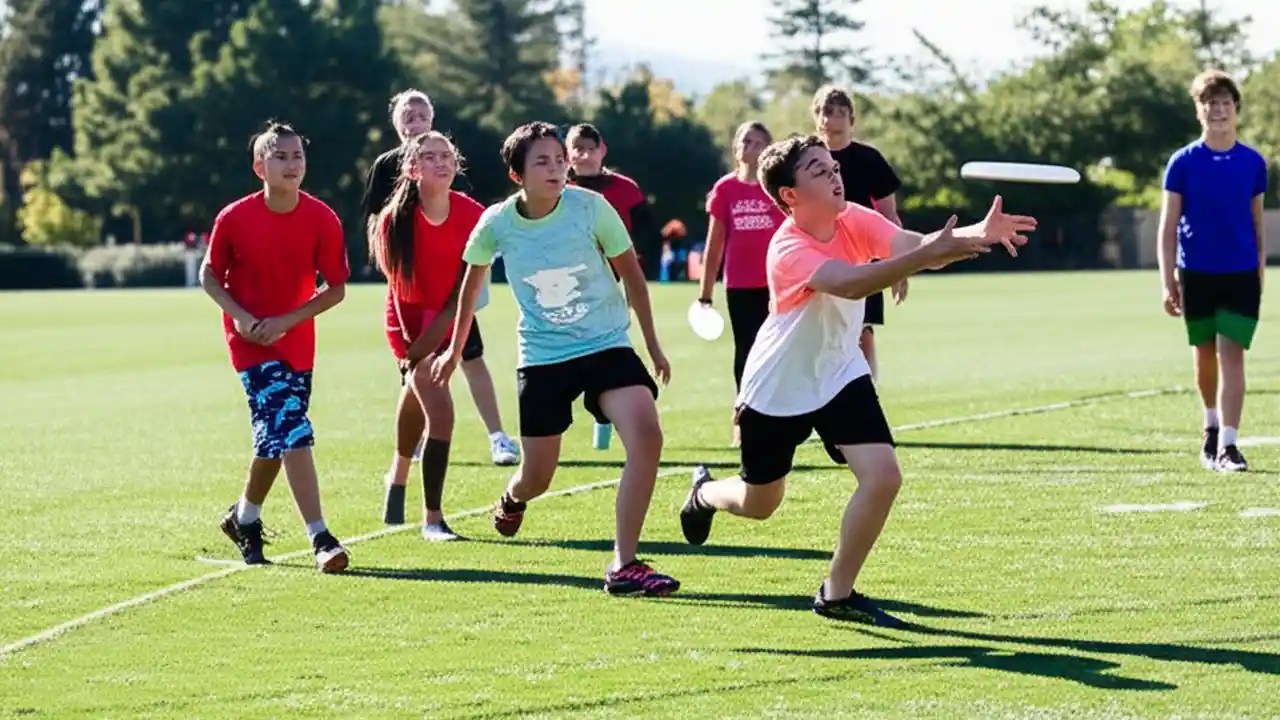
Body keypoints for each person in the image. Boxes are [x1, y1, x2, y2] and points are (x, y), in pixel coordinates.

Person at [679, 135, 1036, 624]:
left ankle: (837, 593)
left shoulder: (854, 217)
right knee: (760, 503)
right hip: (780, 385)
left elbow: (916, 246)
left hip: (841, 371)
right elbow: (852, 282)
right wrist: (928, 255)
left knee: (884, 476)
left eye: (833, 167)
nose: (835, 175)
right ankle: (703, 494)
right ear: (790, 195)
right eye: (819, 171)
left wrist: (979, 234)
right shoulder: (787, 248)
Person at [431, 121, 680, 597]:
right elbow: (470, 288)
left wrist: (651, 345)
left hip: (607, 344)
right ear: (516, 173)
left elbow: (632, 275)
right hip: (544, 356)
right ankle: (514, 497)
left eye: (559, 159)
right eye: (542, 161)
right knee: (538, 476)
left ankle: (624, 564)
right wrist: (455, 349)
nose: (556, 168)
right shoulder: (497, 222)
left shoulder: (592, 208)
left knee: (646, 437)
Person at [202, 122, 352, 573]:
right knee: (294, 429)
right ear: (259, 166)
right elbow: (210, 276)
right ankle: (321, 538)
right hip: (250, 346)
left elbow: (337, 289)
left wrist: (287, 322)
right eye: (281, 156)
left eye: (298, 156)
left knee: (275, 439)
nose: (292, 164)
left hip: (297, 343)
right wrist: (244, 319)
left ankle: (244, 518)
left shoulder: (323, 218)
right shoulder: (233, 217)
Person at [361, 89, 520, 468]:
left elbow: (471, 227)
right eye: (407, 115)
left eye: (421, 113)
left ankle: (498, 437)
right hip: (411, 285)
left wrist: (465, 284)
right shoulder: (386, 166)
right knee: (415, 363)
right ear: (397, 124)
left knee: (471, 357)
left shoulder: (447, 168)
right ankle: (411, 445)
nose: (415, 120)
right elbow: (374, 218)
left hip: (453, 286)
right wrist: (392, 264)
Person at [370, 131, 479, 540]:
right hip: (409, 321)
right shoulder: (393, 221)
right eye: (431, 157)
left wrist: (447, 337)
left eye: (447, 156)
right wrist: (415, 353)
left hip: (451, 315)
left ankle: (396, 475)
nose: (442, 163)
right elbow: (402, 296)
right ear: (413, 169)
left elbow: (464, 289)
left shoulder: (471, 214)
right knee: (441, 410)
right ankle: (432, 519)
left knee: (416, 392)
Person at [1158, 69, 1267, 473]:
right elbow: (1168, 227)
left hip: (1239, 273)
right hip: (1196, 272)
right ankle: (1210, 426)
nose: (1218, 110)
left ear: (1235, 110)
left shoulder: (1253, 163)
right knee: (1204, 354)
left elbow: (1257, 225)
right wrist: (1167, 279)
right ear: (1199, 111)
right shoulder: (1182, 163)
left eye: (1225, 103)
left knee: (1232, 355)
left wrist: (1260, 273)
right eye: (1210, 103)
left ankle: (1230, 444)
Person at [565, 122, 659, 451]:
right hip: (566, 287)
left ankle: (604, 415)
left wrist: (638, 264)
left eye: (591, 148)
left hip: (611, 283)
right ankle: (595, 414)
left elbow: (646, 233)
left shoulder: (624, 189)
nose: (584, 154)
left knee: (605, 350)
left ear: (603, 151)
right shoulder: (557, 188)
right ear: (567, 153)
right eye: (577, 148)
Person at [696, 121, 787, 446]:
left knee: (779, 351)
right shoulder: (725, 190)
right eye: (746, 141)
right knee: (746, 352)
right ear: (736, 148)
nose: (752, 147)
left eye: (760, 141)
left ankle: (781, 418)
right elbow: (714, 244)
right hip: (740, 286)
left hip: (779, 286)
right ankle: (743, 419)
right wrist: (705, 295)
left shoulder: (777, 188)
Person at [813, 86, 905, 379]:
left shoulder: (869, 160)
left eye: (842, 113)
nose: (834, 119)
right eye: (828, 112)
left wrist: (898, 268)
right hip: (818, 257)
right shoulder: (804, 161)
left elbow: (890, 217)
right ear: (817, 117)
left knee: (863, 330)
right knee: (820, 332)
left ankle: (868, 391)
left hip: (863, 258)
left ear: (852, 120)